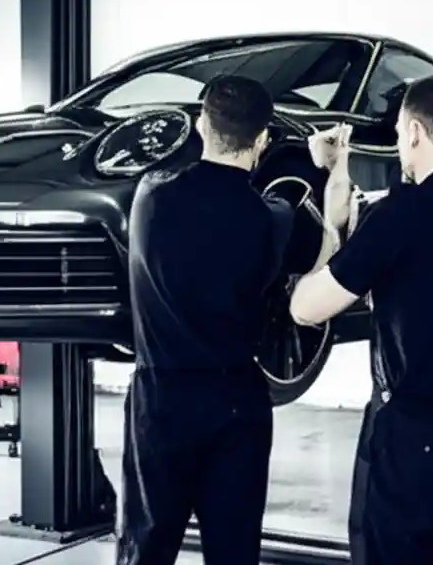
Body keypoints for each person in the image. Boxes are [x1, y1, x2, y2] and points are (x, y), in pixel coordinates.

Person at [289, 75, 433, 564]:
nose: (397, 147)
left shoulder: (403, 214)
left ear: (414, 132)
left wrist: (330, 223)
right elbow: (413, 273)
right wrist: (341, 175)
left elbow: (306, 308)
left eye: (395, 135)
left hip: (414, 445)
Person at [116, 74, 295, 565]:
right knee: (234, 551)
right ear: (262, 139)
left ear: (201, 124)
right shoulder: (270, 218)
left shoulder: (149, 196)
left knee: (146, 546)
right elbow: (315, 249)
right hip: (237, 400)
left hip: (163, 398)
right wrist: (330, 171)